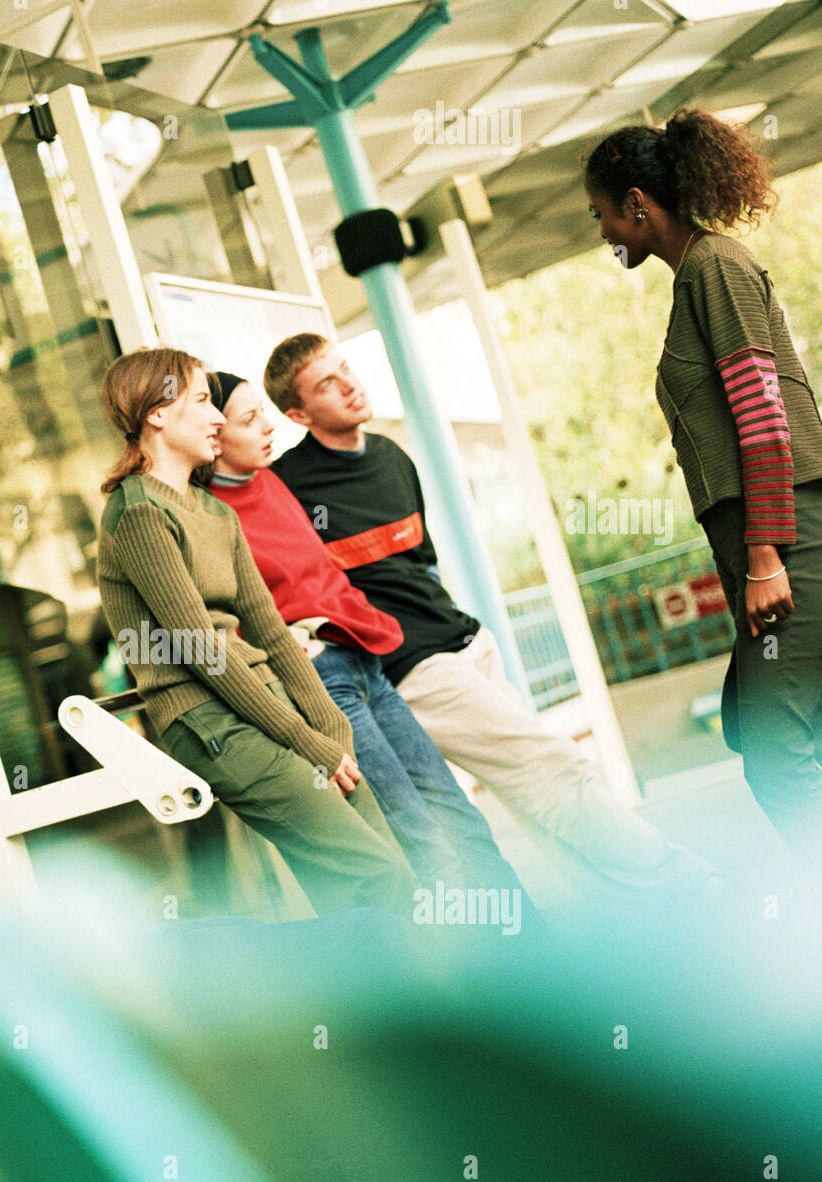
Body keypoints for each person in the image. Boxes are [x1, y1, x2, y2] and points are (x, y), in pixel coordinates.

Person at [263, 331, 721, 898]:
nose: (349, 385)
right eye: (326, 383)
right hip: (408, 665)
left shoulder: (390, 456)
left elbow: (419, 565)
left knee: (533, 793)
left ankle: (623, 916)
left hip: (466, 642)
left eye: (346, 368)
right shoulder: (285, 486)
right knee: (553, 766)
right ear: (297, 412)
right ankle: (693, 888)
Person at [96, 346, 419, 919]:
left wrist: (328, 724)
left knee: (385, 865)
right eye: (202, 401)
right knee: (375, 877)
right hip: (209, 717)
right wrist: (304, 739)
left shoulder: (214, 511)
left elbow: (269, 632)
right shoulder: (140, 512)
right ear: (157, 414)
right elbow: (202, 649)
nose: (218, 417)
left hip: (267, 701)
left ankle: (407, 1005)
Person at [585, 108, 822, 860]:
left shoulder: (715, 268)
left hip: (792, 547)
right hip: (779, 547)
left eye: (602, 217)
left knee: (779, 760)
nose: (604, 236)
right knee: (759, 729)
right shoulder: (701, 274)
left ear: (636, 204)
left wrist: (764, 556)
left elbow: (763, 419)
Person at [203, 368, 532, 905]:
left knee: (457, 814)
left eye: (264, 411)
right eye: (248, 419)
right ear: (214, 438)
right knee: (417, 832)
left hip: (365, 657)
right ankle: (486, 975)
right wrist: (291, 643)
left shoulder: (274, 482)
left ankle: (533, 949)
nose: (266, 426)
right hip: (319, 677)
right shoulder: (209, 515)